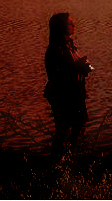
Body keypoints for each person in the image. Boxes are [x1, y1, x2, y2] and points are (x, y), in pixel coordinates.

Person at [43, 12, 92, 157]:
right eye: (69, 23)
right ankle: (62, 161)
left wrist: (84, 67)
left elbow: (87, 66)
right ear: (61, 26)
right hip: (63, 95)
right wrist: (82, 67)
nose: (73, 25)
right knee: (65, 129)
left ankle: (71, 158)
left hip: (75, 93)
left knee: (79, 126)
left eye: (73, 22)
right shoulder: (57, 49)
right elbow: (76, 67)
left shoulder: (71, 46)